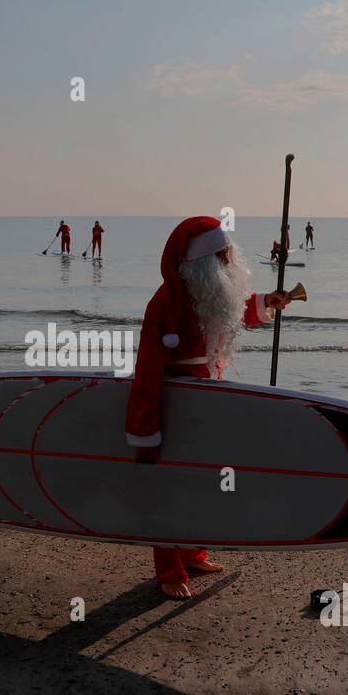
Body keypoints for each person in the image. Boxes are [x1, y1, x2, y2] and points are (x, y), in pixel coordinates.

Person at [125, 216, 303, 600]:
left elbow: (231, 310)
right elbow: (147, 369)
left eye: (227, 255)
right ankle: (169, 570)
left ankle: (192, 553)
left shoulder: (208, 292)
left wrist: (264, 303)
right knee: (171, 487)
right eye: (220, 257)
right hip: (178, 403)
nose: (227, 263)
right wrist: (144, 426)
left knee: (203, 482)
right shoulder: (164, 304)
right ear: (197, 262)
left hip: (209, 398)